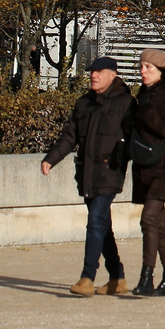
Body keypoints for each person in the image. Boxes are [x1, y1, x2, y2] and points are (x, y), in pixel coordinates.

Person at [41, 56, 132, 297]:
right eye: (92, 71)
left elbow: (134, 139)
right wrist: (51, 158)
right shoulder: (84, 103)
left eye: (99, 72)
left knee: (94, 223)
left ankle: (87, 277)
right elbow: (70, 136)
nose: (93, 75)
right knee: (102, 226)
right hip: (87, 174)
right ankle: (117, 278)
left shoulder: (126, 103)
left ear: (113, 74)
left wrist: (120, 156)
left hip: (109, 174)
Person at [130, 48, 165, 297]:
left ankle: (146, 276)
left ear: (161, 71)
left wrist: (144, 109)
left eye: (148, 67)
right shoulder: (145, 92)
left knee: (149, 218)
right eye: (141, 66)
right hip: (146, 164)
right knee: (159, 224)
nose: (142, 71)